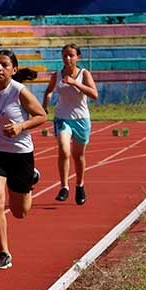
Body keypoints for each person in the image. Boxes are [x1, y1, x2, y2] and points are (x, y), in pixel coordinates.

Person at [0, 49, 46, 270]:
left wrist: (20, 126)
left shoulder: (19, 92)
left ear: (13, 69)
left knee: (20, 212)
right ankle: (4, 252)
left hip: (20, 154)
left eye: (4, 65)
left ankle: (31, 179)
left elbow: (42, 115)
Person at [42, 43, 98, 205]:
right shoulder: (57, 75)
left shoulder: (84, 73)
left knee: (78, 156)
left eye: (71, 55)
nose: (67, 58)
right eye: (65, 55)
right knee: (64, 150)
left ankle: (79, 185)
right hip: (62, 118)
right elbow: (49, 90)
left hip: (81, 119)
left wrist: (75, 83)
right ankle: (64, 187)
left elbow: (94, 94)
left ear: (77, 57)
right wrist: (45, 106)